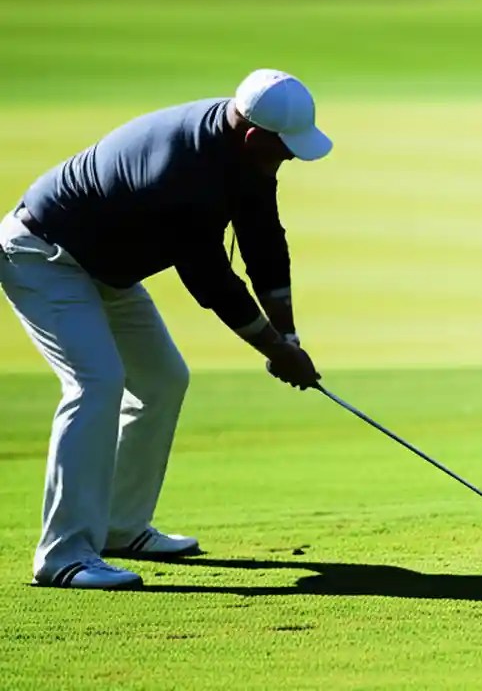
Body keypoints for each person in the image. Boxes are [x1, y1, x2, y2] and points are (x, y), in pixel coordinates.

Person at [0, 69, 328, 590]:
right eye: (283, 150)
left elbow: (263, 241)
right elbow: (212, 281)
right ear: (252, 137)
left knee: (161, 379)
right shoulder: (185, 174)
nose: (287, 159)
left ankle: (120, 528)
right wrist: (272, 349)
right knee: (97, 382)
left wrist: (288, 340)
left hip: (103, 267)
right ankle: (62, 555)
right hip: (44, 254)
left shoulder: (243, 152)